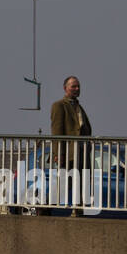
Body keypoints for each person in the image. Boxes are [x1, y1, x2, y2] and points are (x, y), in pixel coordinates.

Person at [49, 76, 92, 214]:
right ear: (65, 88)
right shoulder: (59, 105)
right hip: (69, 153)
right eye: (73, 86)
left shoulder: (79, 107)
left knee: (81, 182)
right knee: (65, 183)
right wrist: (58, 154)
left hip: (81, 151)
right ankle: (46, 208)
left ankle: (78, 210)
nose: (77, 89)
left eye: (78, 86)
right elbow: (57, 131)